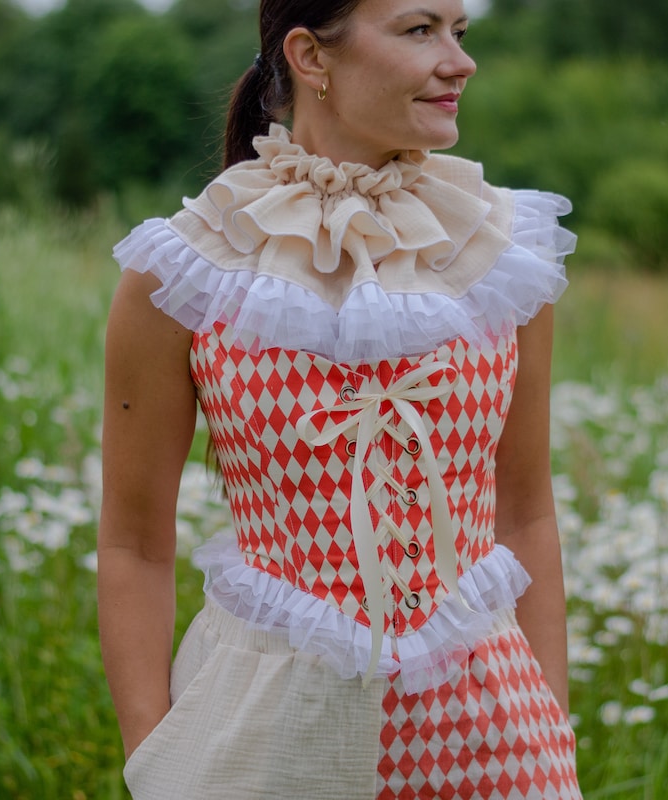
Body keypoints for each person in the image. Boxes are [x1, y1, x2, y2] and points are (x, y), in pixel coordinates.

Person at [97, 0, 581, 797]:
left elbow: (524, 511)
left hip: (493, 740)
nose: (459, 62)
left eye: (461, 32)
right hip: (262, 742)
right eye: (420, 30)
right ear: (310, 57)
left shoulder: (502, 252)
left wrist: (549, 730)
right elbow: (134, 544)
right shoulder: (185, 269)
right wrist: (151, 758)